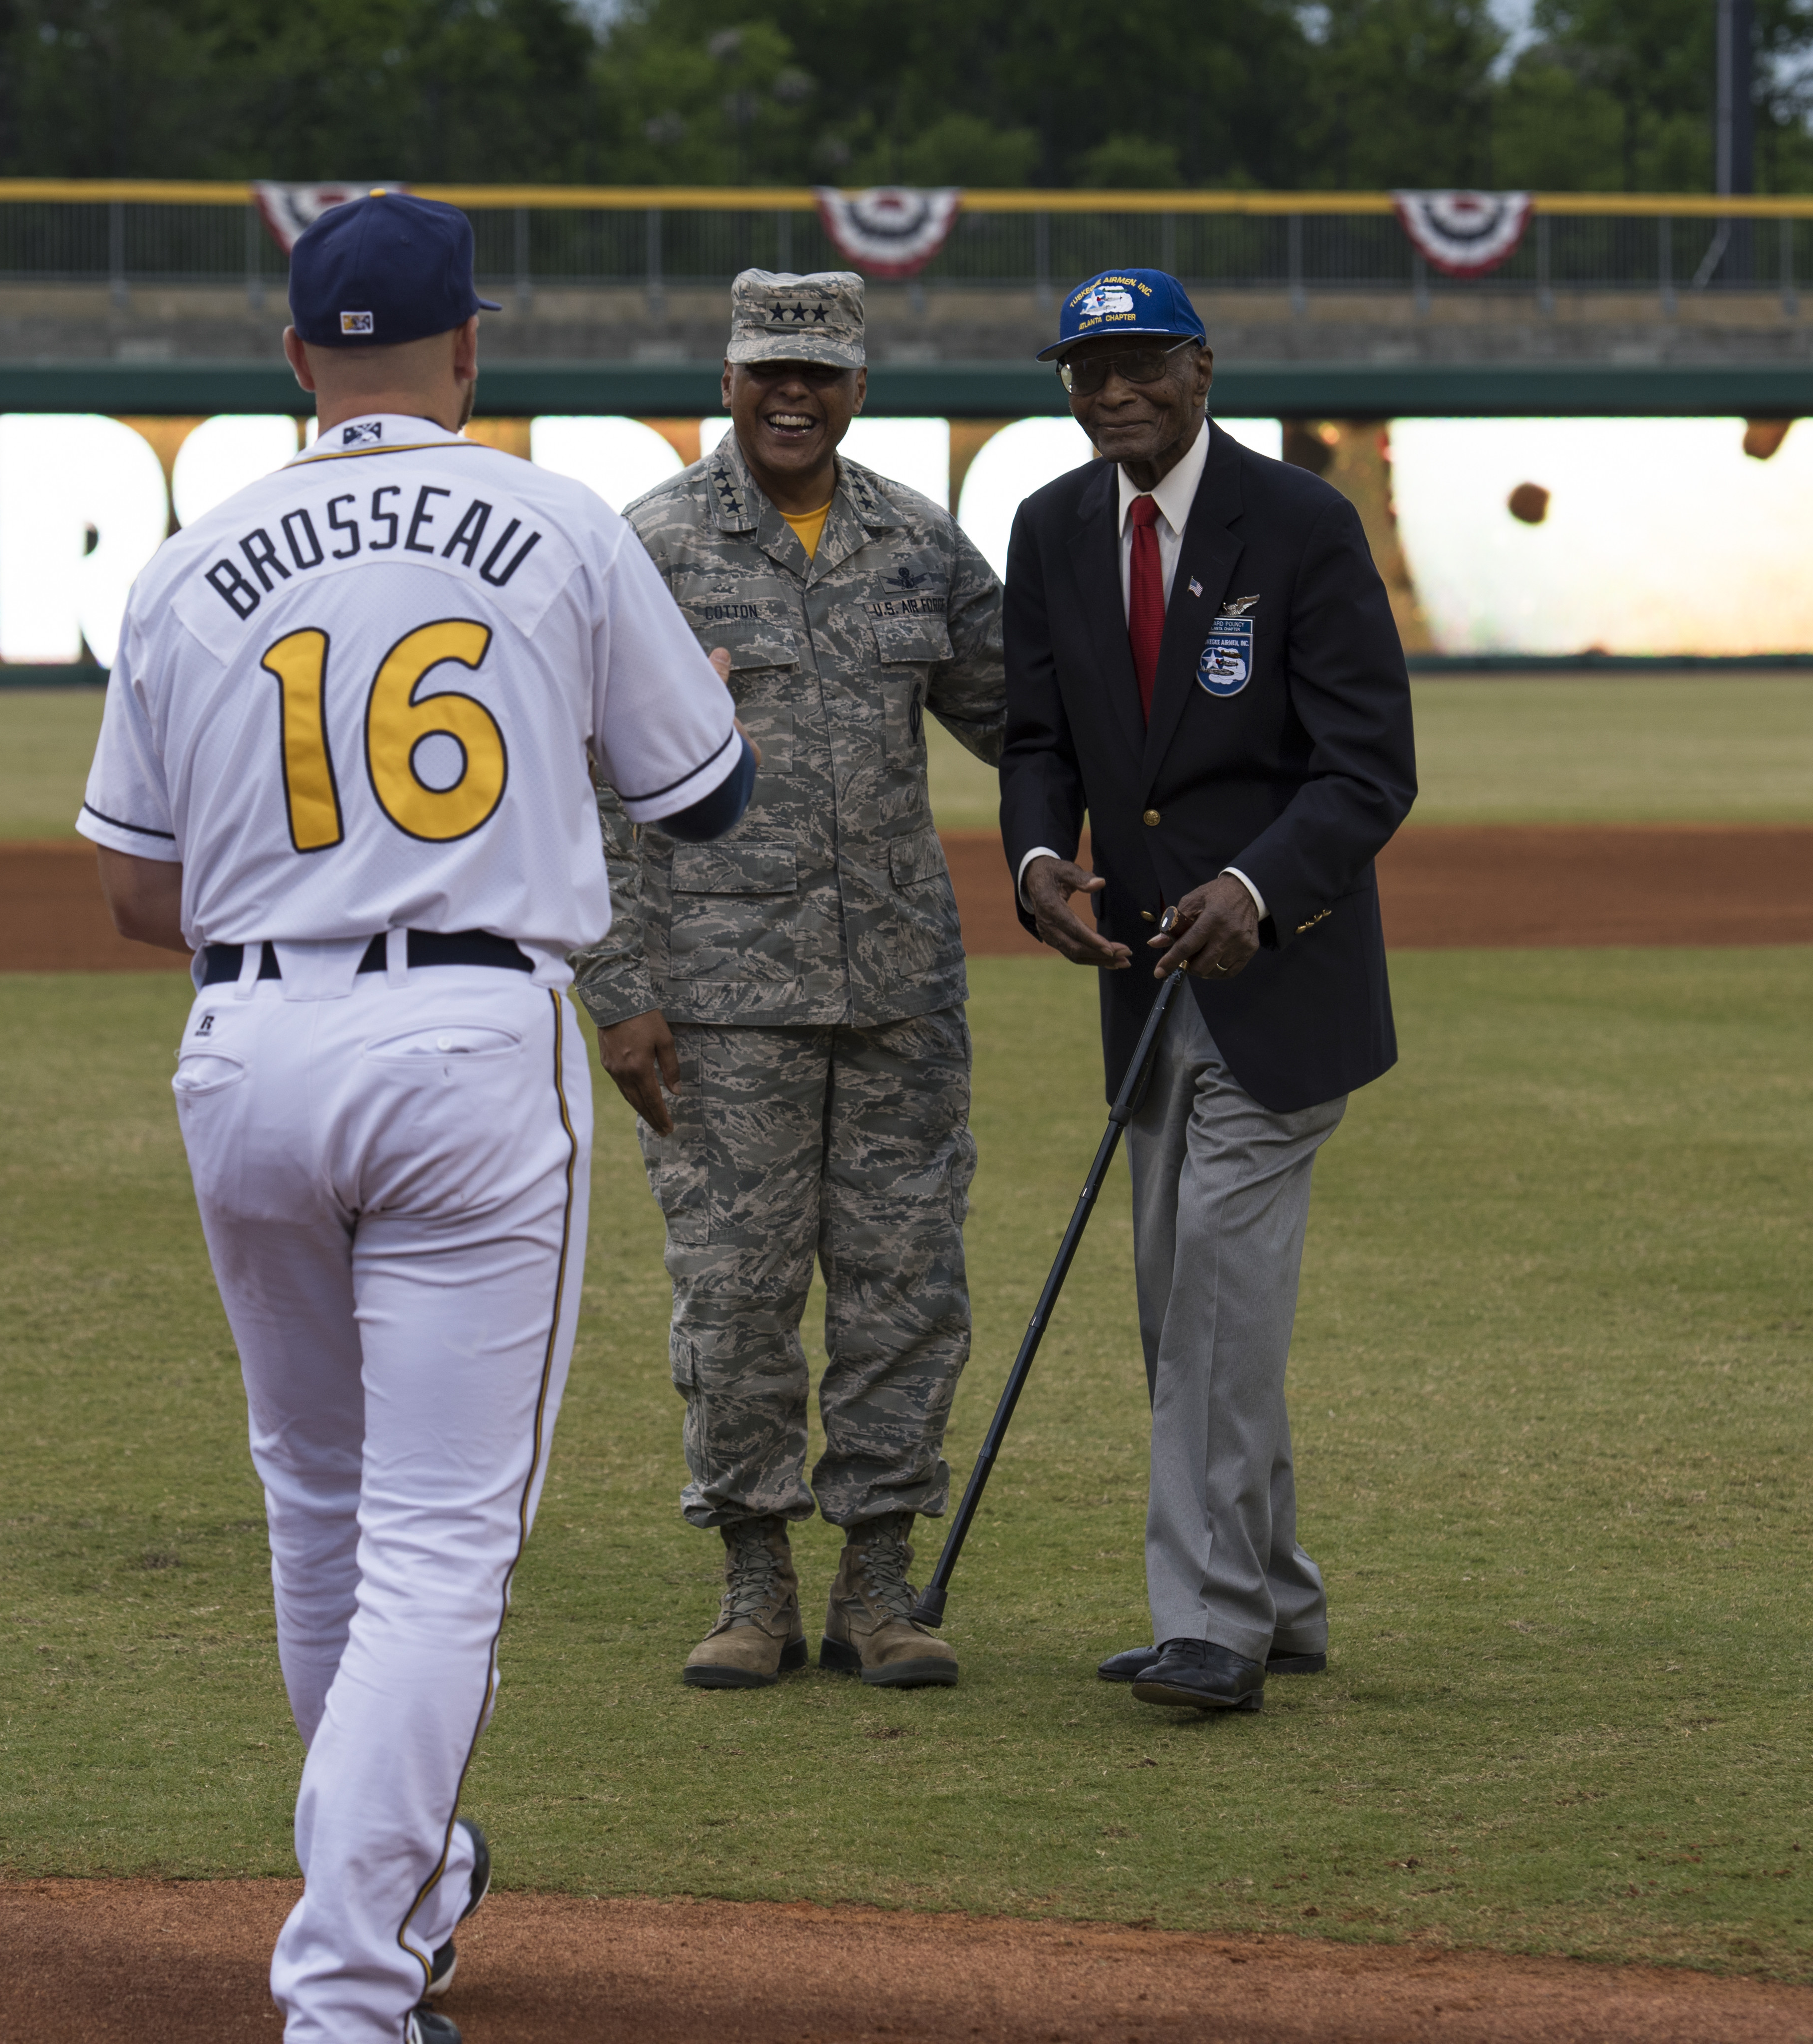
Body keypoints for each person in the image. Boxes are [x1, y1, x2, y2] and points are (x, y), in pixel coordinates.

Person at [78, 194, 754, 2043]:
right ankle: (348, 1994)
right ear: (472, 349)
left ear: (297, 360)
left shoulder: (189, 555)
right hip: (469, 1040)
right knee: (442, 1547)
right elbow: (704, 795)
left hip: (243, 1043)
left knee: (318, 1510)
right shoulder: (551, 519)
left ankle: (412, 1891)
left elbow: (136, 893)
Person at [577, 268, 1006, 1692]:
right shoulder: (649, 552)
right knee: (736, 1302)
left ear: (857, 388)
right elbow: (597, 792)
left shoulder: (921, 549)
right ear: (727, 379)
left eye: (818, 373)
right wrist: (618, 993)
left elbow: (1028, 727)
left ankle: (879, 1584)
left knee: (904, 1293)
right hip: (715, 1004)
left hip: (896, 998)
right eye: (770, 369)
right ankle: (753, 1580)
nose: (792, 395)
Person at [997, 268, 1416, 1716]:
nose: (1111, 391)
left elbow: (1367, 768)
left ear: (1202, 369)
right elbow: (1037, 735)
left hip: (1277, 979)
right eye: (1085, 368)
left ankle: (1213, 1624)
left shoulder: (1298, 525)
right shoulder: (1053, 526)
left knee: (1214, 1310)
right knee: (1185, 1307)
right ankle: (1281, 1594)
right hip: (1138, 982)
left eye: (1140, 364)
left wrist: (1254, 888)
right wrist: (1043, 857)